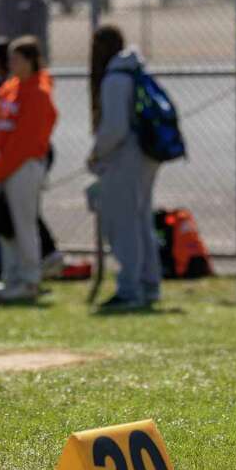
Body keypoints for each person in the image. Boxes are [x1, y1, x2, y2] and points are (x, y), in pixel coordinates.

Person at [87, 25, 163, 312]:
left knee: (125, 224)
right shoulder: (134, 69)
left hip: (127, 156)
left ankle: (130, 289)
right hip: (146, 154)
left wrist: (96, 153)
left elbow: (115, 129)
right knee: (141, 219)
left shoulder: (115, 78)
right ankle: (148, 285)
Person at [0, 35, 58, 301]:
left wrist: (1, 167)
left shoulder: (38, 92)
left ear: (31, 60)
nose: (11, 63)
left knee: (24, 225)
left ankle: (29, 280)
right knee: (6, 228)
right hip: (1, 168)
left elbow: (25, 138)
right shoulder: (9, 88)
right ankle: (11, 278)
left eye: (17, 58)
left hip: (23, 168)